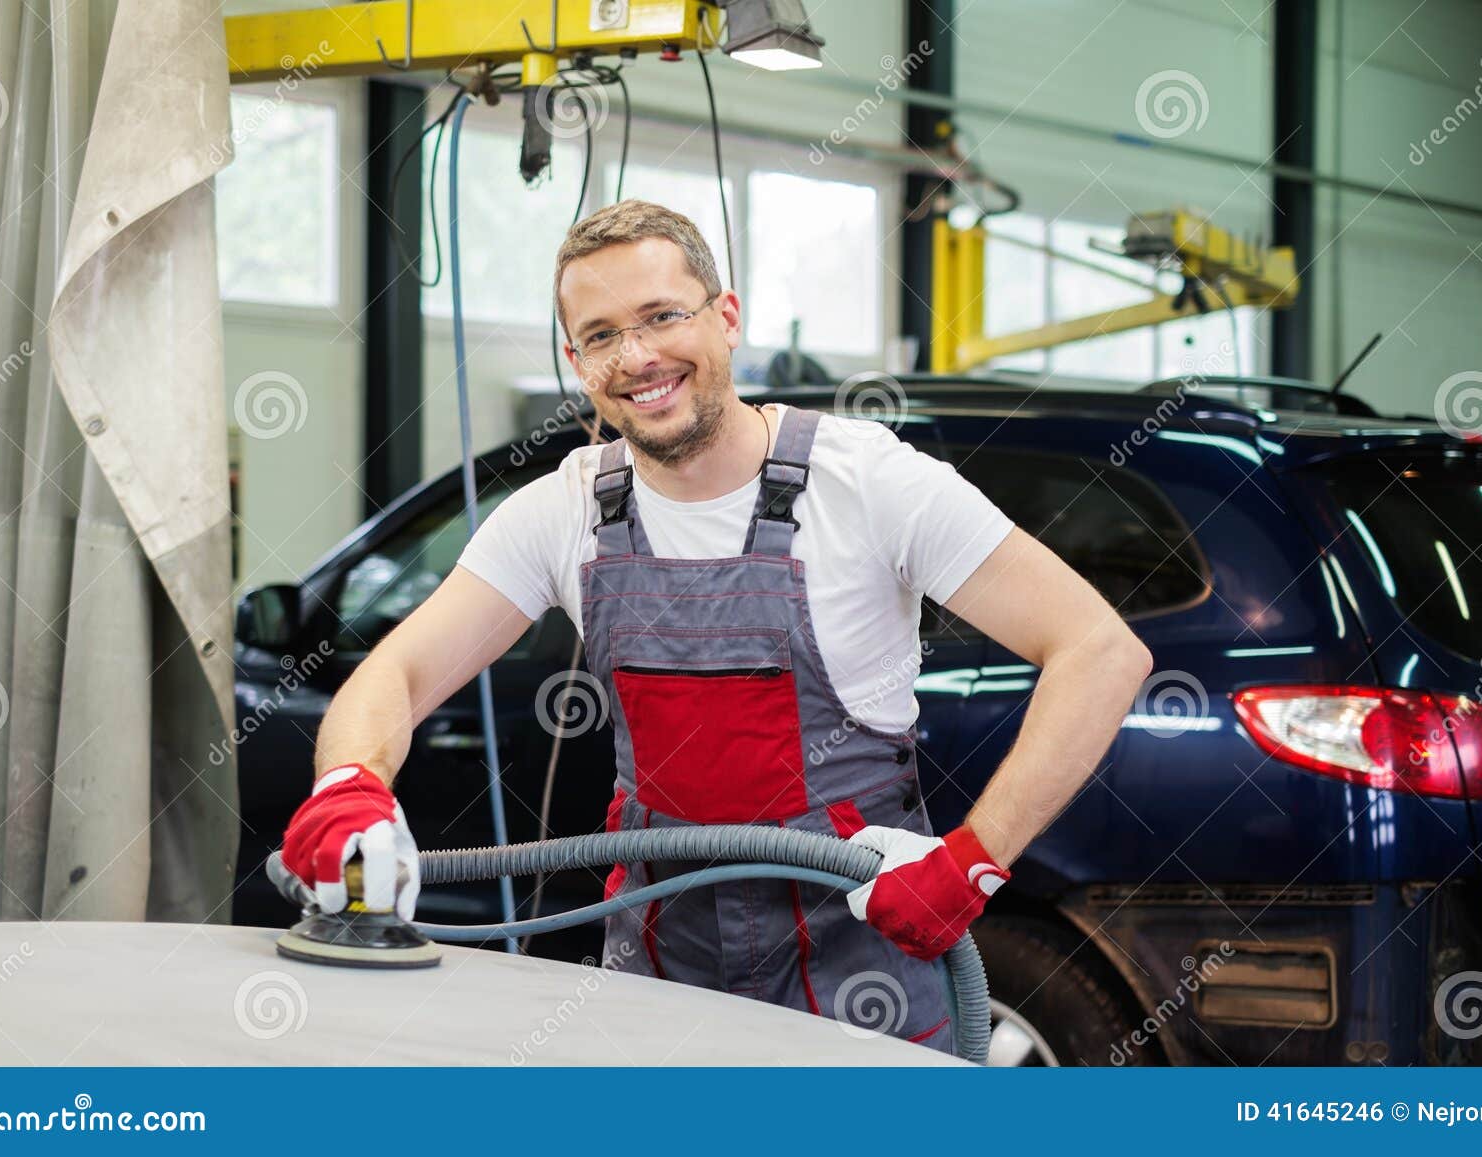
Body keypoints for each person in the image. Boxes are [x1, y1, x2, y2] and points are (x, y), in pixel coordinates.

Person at [280, 200, 1152, 1054]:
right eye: (601, 335)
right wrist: (350, 783)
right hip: (662, 979)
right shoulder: (566, 509)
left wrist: (972, 860)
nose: (638, 356)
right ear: (577, 362)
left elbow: (1100, 649)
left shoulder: (869, 483)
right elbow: (395, 673)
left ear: (726, 317)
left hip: (861, 971)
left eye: (663, 315)